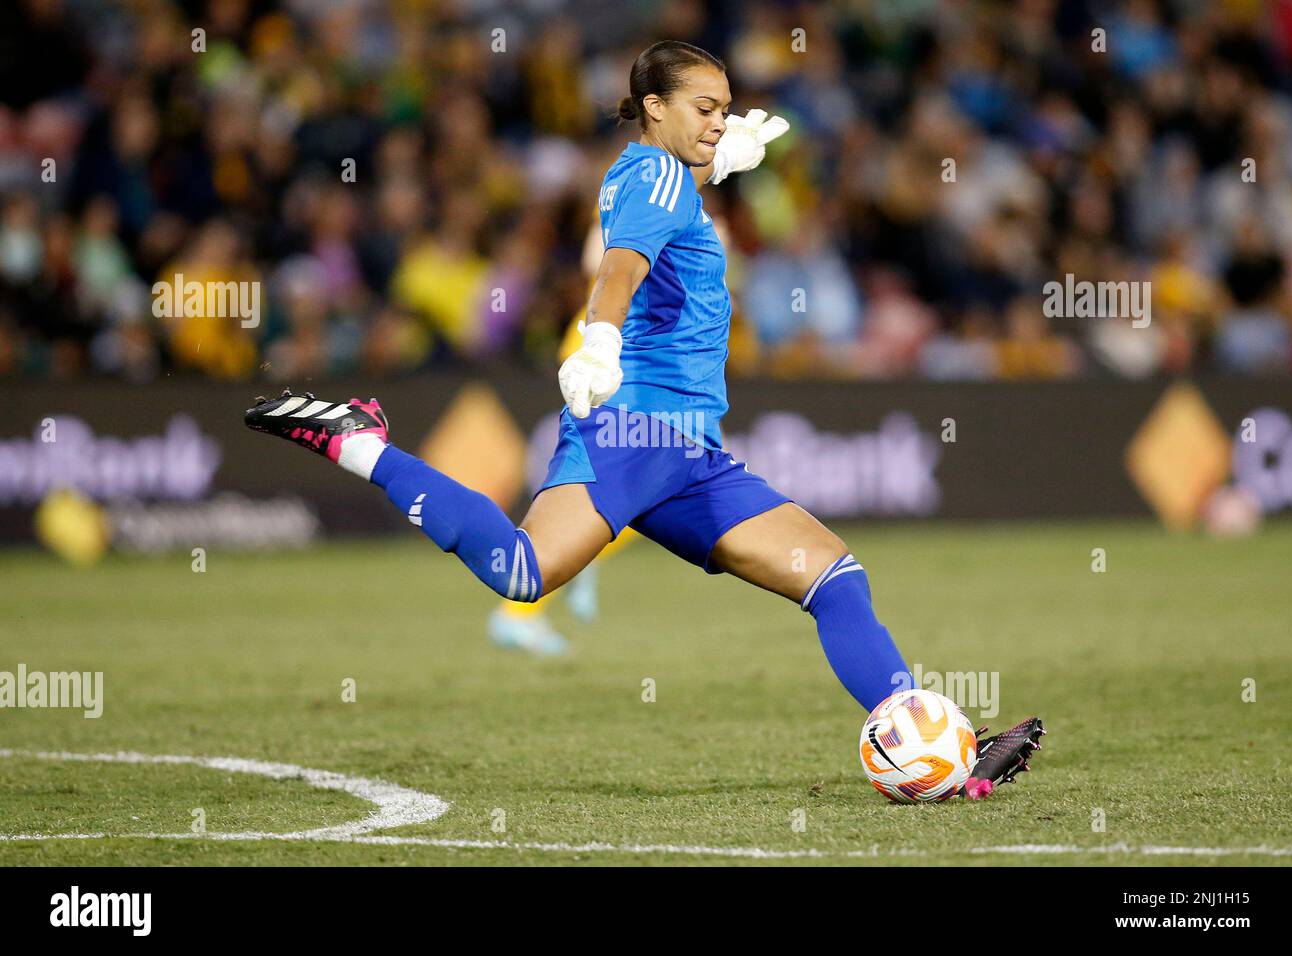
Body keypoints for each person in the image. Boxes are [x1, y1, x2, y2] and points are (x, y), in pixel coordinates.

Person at [245, 40, 1042, 798]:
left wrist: (719, 163)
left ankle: (940, 753)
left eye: (725, 109)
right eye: (704, 107)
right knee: (522, 573)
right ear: (652, 106)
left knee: (834, 577)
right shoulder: (656, 174)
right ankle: (360, 444)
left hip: (686, 451)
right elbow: (621, 268)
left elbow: (658, 224)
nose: (719, 121)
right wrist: (599, 339)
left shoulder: (658, 174)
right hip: (637, 430)